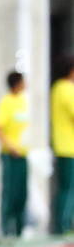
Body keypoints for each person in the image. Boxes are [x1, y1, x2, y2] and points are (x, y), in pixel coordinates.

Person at [0, 70, 28, 239]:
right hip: (10, 155)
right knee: (10, 192)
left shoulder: (23, 101)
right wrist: (11, 146)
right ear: (16, 83)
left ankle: (20, 228)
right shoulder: (7, 102)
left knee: (22, 192)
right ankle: (6, 229)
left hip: (23, 154)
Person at [52, 55, 74, 235]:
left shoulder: (57, 88)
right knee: (69, 189)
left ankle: (63, 224)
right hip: (69, 146)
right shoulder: (67, 89)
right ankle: (65, 225)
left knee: (65, 188)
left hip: (63, 145)